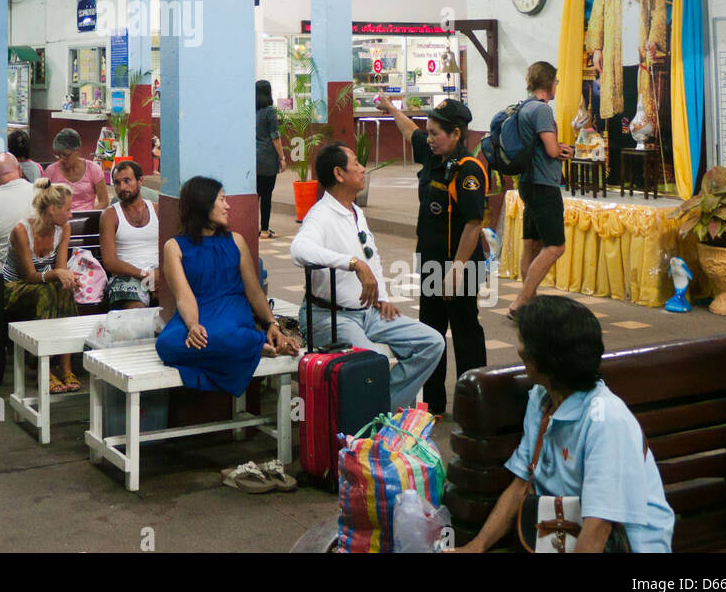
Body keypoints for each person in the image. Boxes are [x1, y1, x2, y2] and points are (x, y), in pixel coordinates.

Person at [454, 296, 673, 553]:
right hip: (561, 537)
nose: (519, 350)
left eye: (525, 342)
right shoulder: (542, 397)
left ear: (547, 359)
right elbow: (521, 485)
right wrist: (476, 547)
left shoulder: (605, 419)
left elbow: (598, 529)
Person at [290, 142, 445, 409]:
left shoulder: (355, 212)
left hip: (368, 313)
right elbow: (299, 250)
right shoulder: (320, 215)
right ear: (339, 174)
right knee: (373, 361)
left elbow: (371, 256)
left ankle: (381, 408)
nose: (363, 169)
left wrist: (382, 296)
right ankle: (375, 417)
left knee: (432, 342)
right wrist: (352, 263)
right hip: (330, 316)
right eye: (356, 164)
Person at [376, 96, 488, 414]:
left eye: (436, 133)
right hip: (430, 262)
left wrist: (456, 270)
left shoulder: (468, 170)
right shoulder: (433, 154)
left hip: (459, 265)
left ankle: (474, 405)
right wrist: (392, 109)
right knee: (431, 333)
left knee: (466, 333)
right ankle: (435, 405)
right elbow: (410, 130)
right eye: (429, 132)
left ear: (456, 134)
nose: (429, 138)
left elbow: (473, 222)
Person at [155, 176, 298, 397]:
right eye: (221, 200)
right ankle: (250, 347)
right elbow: (183, 296)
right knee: (166, 344)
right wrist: (193, 326)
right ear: (203, 204)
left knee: (224, 335)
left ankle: (253, 342)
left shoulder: (236, 241)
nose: (227, 206)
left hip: (230, 311)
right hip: (197, 311)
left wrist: (271, 324)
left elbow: (253, 291)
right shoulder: (174, 247)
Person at [585, 0, 668, 159]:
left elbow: (658, 8)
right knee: (617, 112)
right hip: (614, 50)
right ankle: (616, 172)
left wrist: (653, 39)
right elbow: (598, 6)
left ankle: (638, 170)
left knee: (636, 106)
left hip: (639, 49)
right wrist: (597, 48)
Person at [1, 178, 80, 393]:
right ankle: (41, 367)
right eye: (68, 209)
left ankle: (65, 365)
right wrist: (56, 273)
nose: (71, 215)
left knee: (64, 291)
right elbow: (29, 275)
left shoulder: (63, 229)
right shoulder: (21, 230)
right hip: (13, 287)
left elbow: (60, 271)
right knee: (47, 293)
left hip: (41, 283)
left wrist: (69, 278)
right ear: (53, 209)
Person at [510, 63, 574, 315]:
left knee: (531, 244)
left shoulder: (524, 106)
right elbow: (550, 150)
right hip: (544, 185)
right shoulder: (542, 111)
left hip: (527, 182)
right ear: (549, 83)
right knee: (556, 246)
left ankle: (530, 300)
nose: (557, 86)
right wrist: (565, 150)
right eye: (556, 82)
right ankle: (522, 301)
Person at [99, 160, 159, 309]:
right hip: (126, 277)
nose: (122, 187)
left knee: (177, 302)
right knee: (136, 311)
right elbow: (110, 262)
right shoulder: (110, 215)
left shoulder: (157, 210)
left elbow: (171, 247)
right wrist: (145, 275)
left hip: (158, 272)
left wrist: (160, 274)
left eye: (127, 181)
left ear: (140, 181)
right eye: (117, 183)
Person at [44, 127, 109, 212]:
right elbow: (43, 201)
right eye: (58, 155)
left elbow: (104, 202)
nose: (61, 159)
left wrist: (89, 214)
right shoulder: (51, 171)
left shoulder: (93, 169)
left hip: (87, 219)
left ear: (78, 151)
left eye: (66, 155)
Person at [255, 80, 287, 239]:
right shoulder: (269, 112)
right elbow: (275, 137)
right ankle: (265, 230)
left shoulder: (252, 111)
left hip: (253, 158)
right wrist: (282, 157)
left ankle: (253, 227)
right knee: (266, 194)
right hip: (267, 158)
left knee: (255, 195)